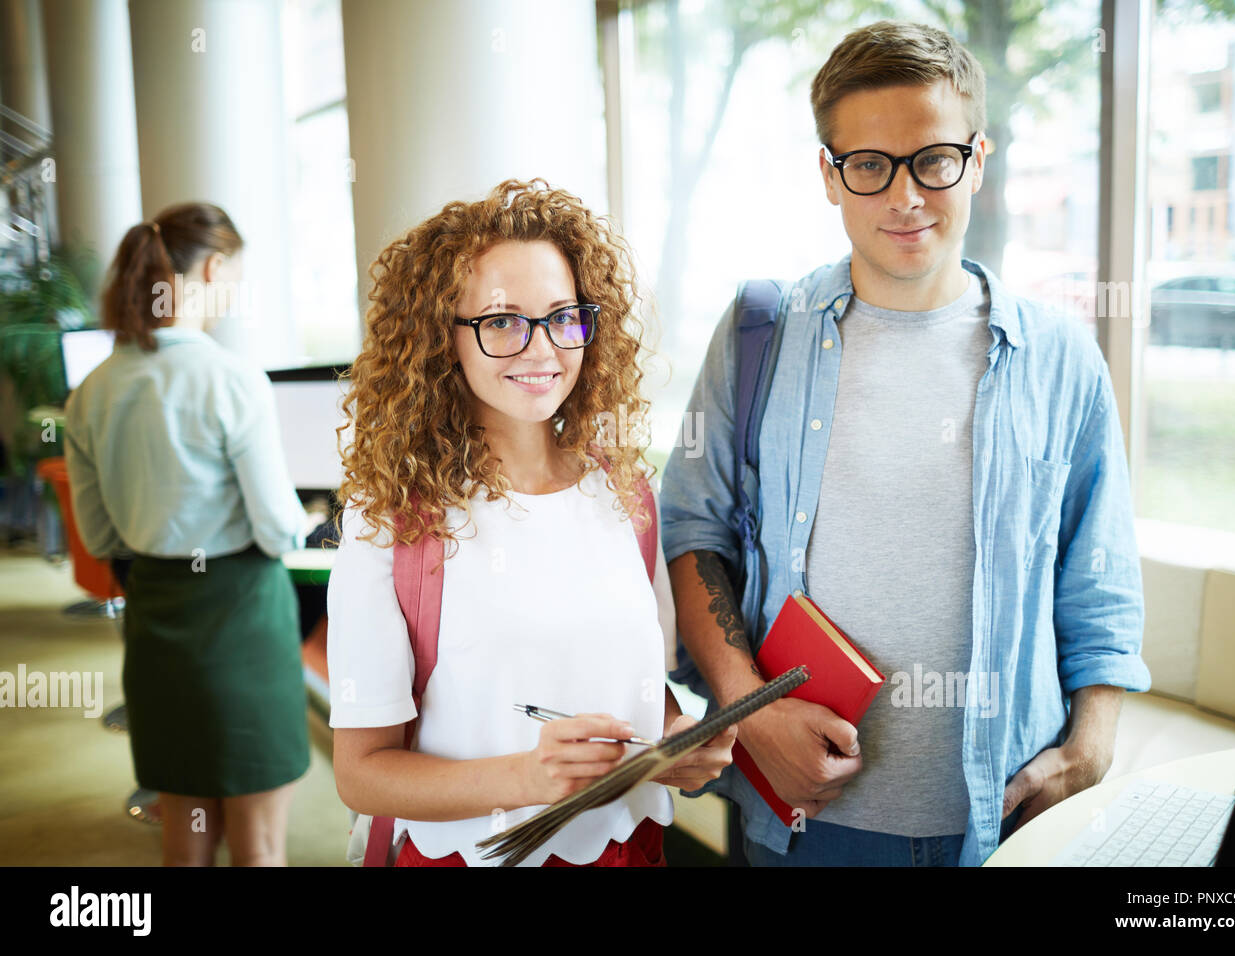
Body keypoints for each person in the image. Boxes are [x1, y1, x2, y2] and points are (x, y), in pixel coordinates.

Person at [660, 20, 1152, 867]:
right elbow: (693, 529)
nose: (905, 196)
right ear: (829, 174)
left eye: (933, 159)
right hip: (801, 824)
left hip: (1004, 822)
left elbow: (1097, 573)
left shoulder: (1062, 357)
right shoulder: (758, 333)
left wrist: (1092, 745)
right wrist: (748, 711)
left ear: (978, 159)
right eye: (869, 165)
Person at [327, 178, 736, 868]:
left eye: (562, 315)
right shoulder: (393, 522)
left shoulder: (626, 492)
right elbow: (361, 772)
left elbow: (635, 685)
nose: (542, 348)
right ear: (441, 340)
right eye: (502, 321)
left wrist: (672, 740)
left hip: (629, 847)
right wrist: (530, 778)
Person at [64, 202, 319, 866]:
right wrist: (312, 524)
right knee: (259, 848)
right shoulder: (232, 379)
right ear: (212, 267)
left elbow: (97, 535)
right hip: (240, 624)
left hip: (156, 629)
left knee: (186, 839)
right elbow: (275, 528)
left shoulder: (90, 393)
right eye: (235, 274)